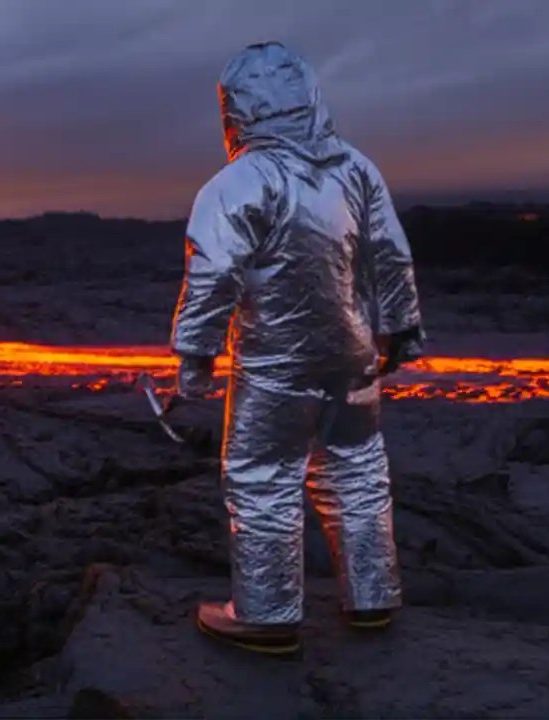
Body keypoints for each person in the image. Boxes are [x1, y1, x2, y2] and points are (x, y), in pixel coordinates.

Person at [170, 42, 424, 655]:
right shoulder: (357, 170)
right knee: (357, 471)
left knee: (262, 478)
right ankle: (372, 597)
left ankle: (266, 615)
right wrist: (402, 329)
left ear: (237, 113)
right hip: (354, 355)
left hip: (274, 364)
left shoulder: (237, 184)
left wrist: (195, 356)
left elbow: (212, 275)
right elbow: (388, 253)